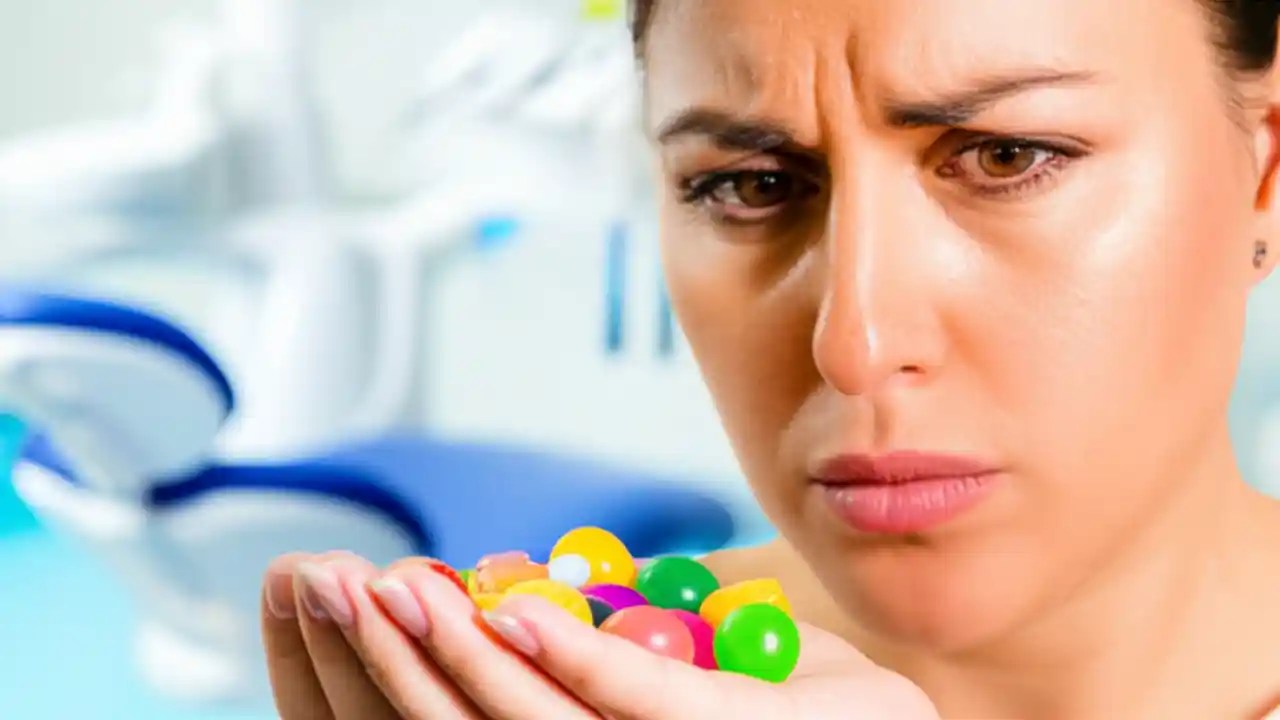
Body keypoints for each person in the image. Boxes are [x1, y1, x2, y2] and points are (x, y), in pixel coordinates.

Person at [257, 1, 1280, 717]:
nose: (855, 346)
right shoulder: (525, 678)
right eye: (749, 184)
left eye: (1007, 156)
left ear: (1265, 171)